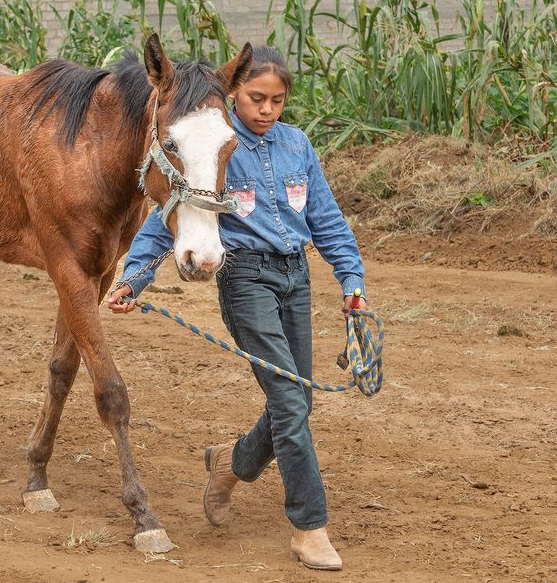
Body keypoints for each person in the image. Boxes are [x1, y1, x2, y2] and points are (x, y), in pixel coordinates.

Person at [107, 46, 367, 571]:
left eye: (277, 100)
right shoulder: (216, 147)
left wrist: (351, 279)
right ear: (233, 96)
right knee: (290, 403)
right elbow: (164, 218)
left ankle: (231, 462)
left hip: (295, 277)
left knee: (296, 401)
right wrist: (134, 278)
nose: (266, 109)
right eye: (255, 98)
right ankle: (310, 527)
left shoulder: (297, 145)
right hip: (247, 281)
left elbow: (326, 218)